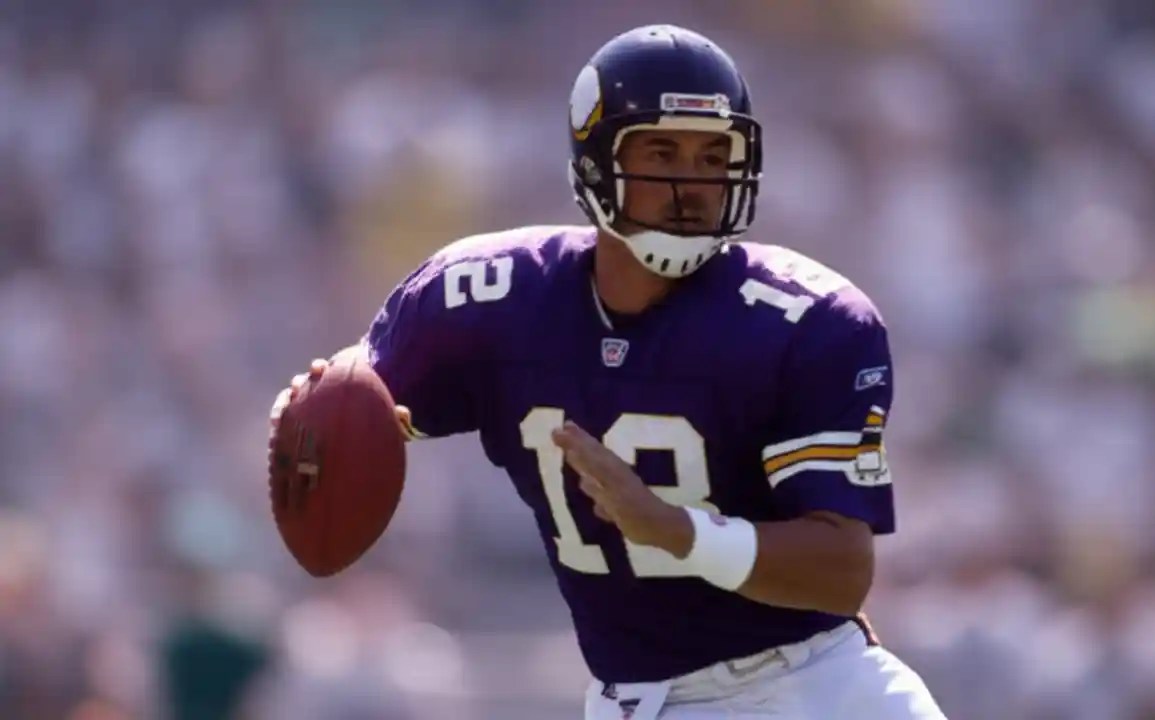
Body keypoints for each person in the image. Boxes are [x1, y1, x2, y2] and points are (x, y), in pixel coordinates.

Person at [269, 24, 946, 720]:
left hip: (815, 690)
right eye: (662, 152)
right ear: (594, 163)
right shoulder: (487, 295)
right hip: (636, 703)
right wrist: (321, 408)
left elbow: (841, 573)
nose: (692, 184)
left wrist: (674, 529)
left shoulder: (809, 322)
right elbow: (363, 410)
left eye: (715, 156)